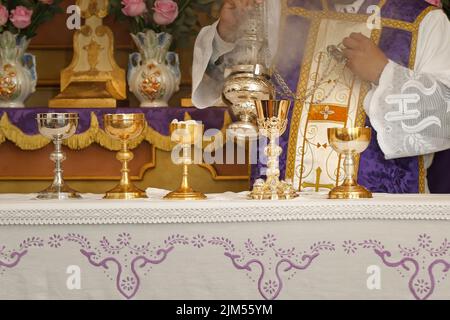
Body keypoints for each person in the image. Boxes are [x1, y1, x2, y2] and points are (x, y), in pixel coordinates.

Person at [192, 0, 450, 193]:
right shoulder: (280, 14)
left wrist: (384, 74)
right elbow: (230, 89)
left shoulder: (423, 22)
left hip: (379, 217)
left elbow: (445, 120)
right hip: (283, 209)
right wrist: (227, 35)